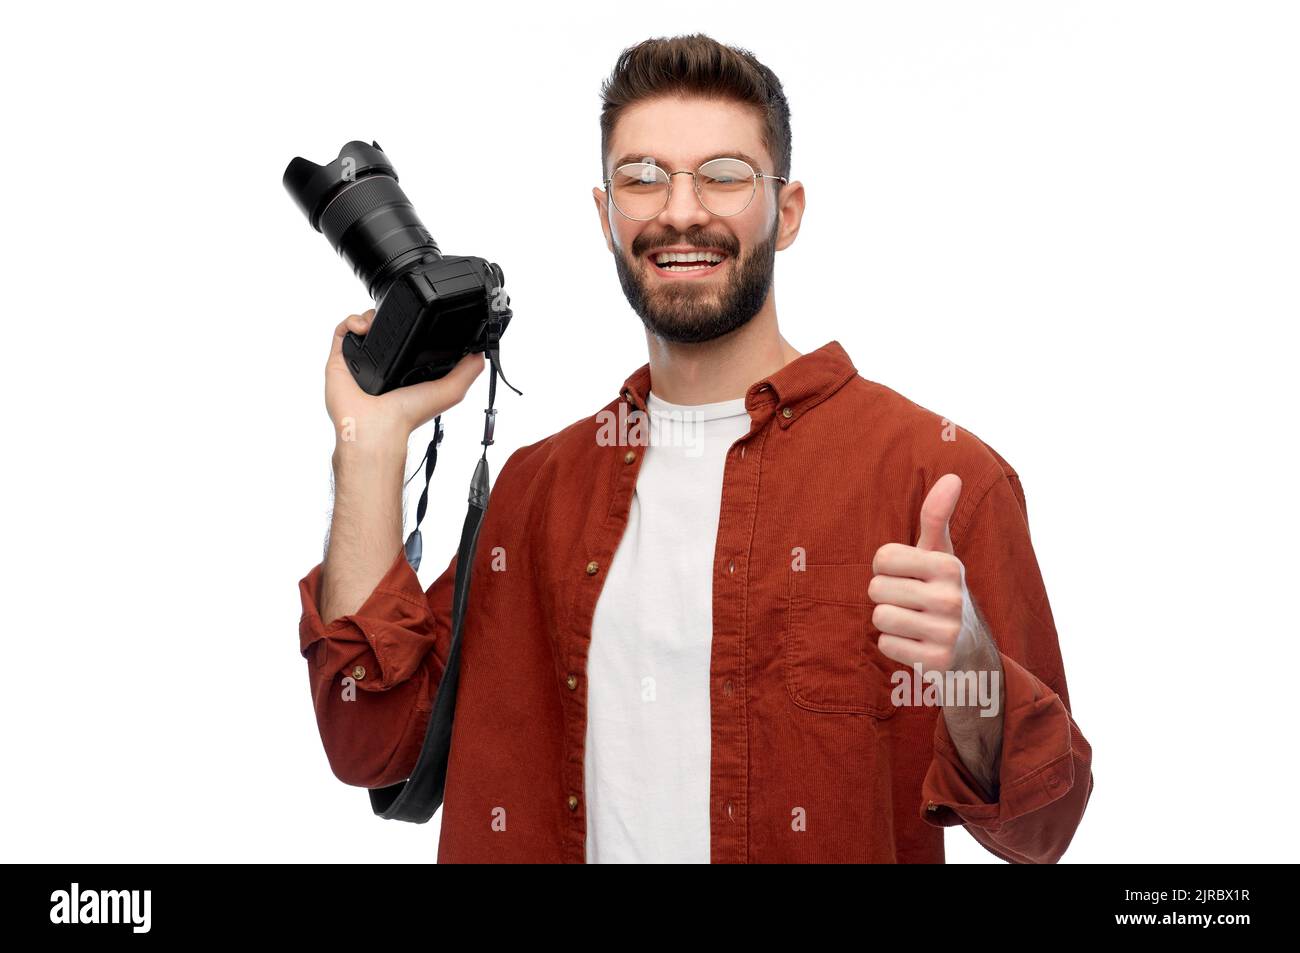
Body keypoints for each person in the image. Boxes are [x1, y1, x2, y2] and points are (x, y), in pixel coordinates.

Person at [297, 33, 1093, 863]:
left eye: (723, 175)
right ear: (607, 216)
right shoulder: (533, 493)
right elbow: (370, 741)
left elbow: (1043, 828)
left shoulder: (940, 477)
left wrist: (970, 672)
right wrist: (370, 441)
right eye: (642, 178)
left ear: (785, 214)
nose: (681, 210)